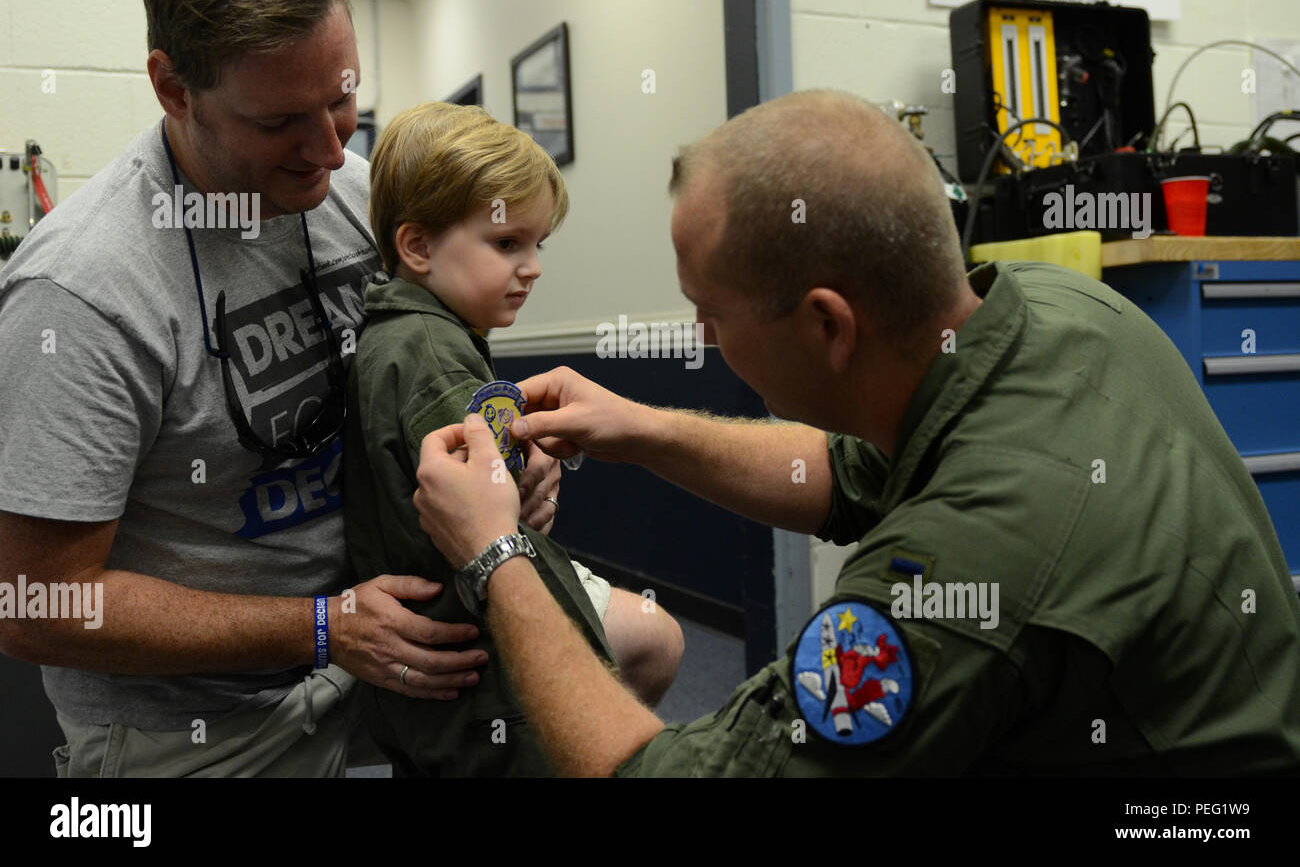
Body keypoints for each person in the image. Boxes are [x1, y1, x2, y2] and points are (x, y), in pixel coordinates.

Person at [412, 89, 1300, 776]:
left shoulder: (955, 568)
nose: (703, 340)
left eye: (709, 313)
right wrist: (639, 427)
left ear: (828, 327)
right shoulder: (1065, 309)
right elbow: (847, 472)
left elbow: (662, 772)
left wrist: (496, 556)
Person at [0, 0, 511, 777]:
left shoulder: (355, 188)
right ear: (173, 88)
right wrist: (320, 628)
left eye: (343, 96)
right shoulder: (80, 292)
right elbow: (35, 604)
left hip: (384, 642)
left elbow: (417, 386)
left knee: (633, 657)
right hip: (199, 719)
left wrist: (502, 469)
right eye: (279, 122)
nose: (329, 147)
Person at [345, 101, 683, 776]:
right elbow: (494, 533)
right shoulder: (433, 355)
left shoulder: (413, 335)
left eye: (537, 244)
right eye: (506, 244)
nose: (532, 267)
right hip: (478, 670)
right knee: (654, 645)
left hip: (445, 669)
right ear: (417, 247)